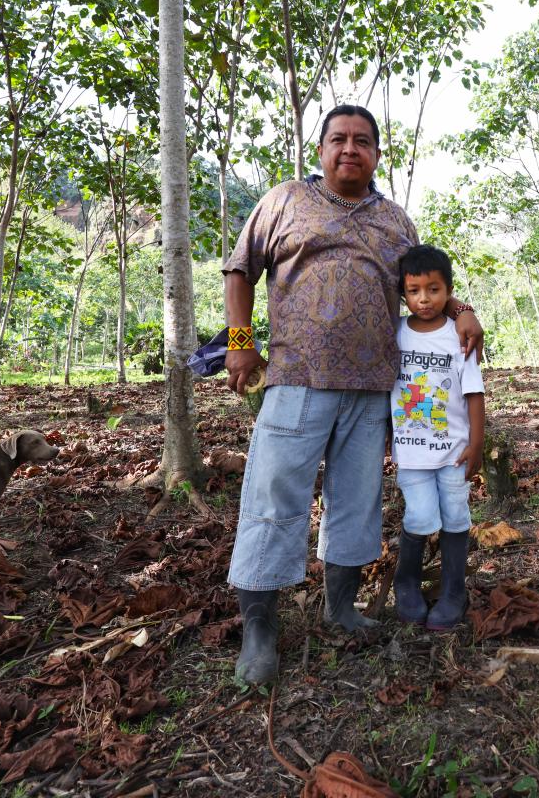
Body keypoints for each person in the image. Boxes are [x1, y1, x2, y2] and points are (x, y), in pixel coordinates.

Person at [222, 104, 483, 685]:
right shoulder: (284, 201)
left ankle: (340, 605)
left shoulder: (395, 220)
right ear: (320, 149)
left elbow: (427, 285)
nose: (349, 149)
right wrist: (240, 341)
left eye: (362, 141)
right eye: (338, 139)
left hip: (373, 389)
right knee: (274, 494)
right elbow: (239, 269)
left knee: (356, 499)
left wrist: (463, 310)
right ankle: (259, 625)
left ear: (376, 154)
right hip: (295, 377)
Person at [389, 245, 485, 631]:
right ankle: (407, 583)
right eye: (414, 291)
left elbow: (474, 393)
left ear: (448, 291)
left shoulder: (459, 335)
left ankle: (453, 592)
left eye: (433, 289)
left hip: (453, 451)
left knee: (457, 516)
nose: (423, 299)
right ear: (403, 292)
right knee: (422, 515)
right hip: (410, 452)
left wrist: (476, 443)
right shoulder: (394, 332)